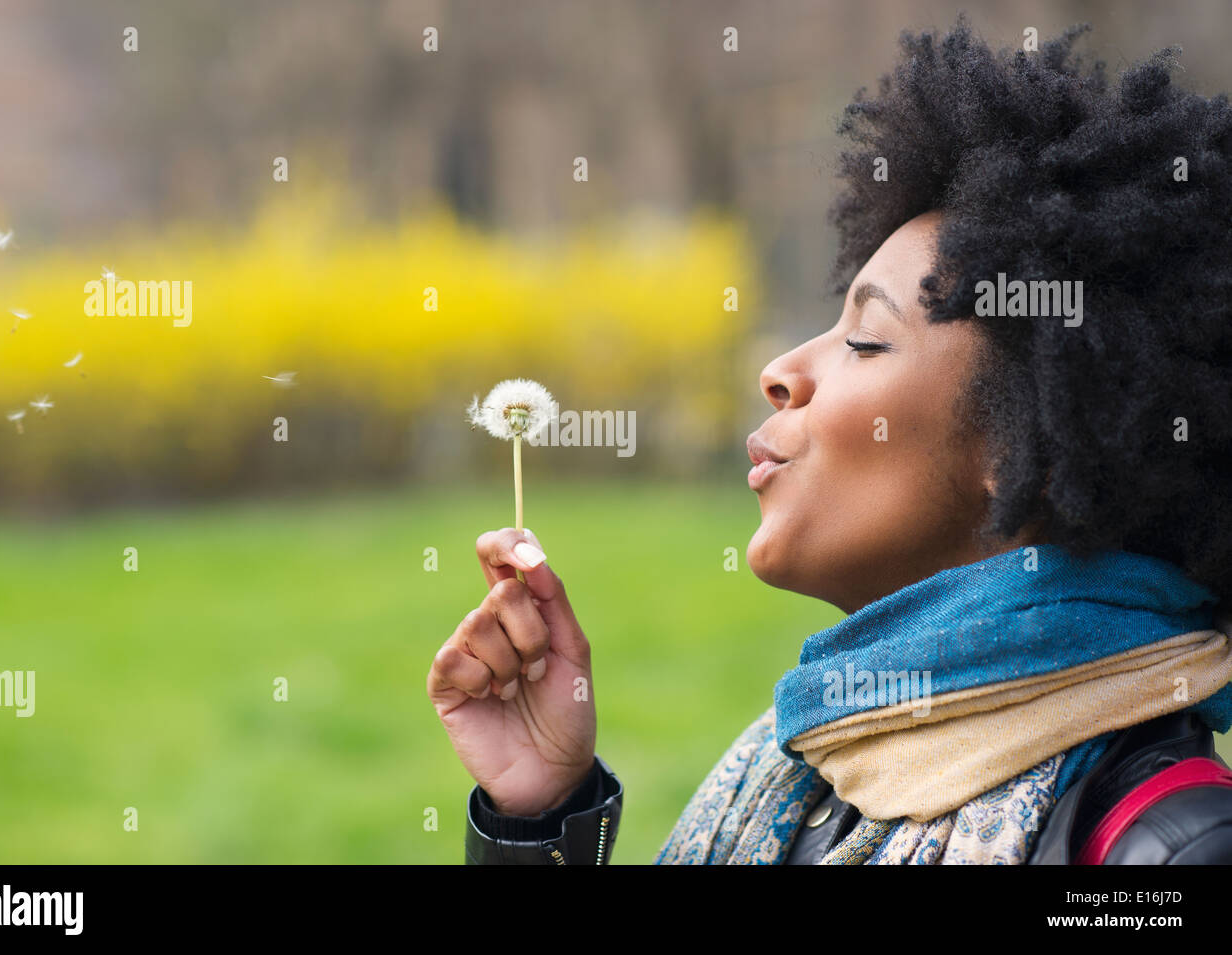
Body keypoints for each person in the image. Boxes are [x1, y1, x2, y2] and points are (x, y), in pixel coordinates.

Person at [425, 17, 1232, 864]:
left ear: (1026, 448)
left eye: (865, 340)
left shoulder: (1171, 848)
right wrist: (541, 808)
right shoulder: (816, 774)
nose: (779, 370)